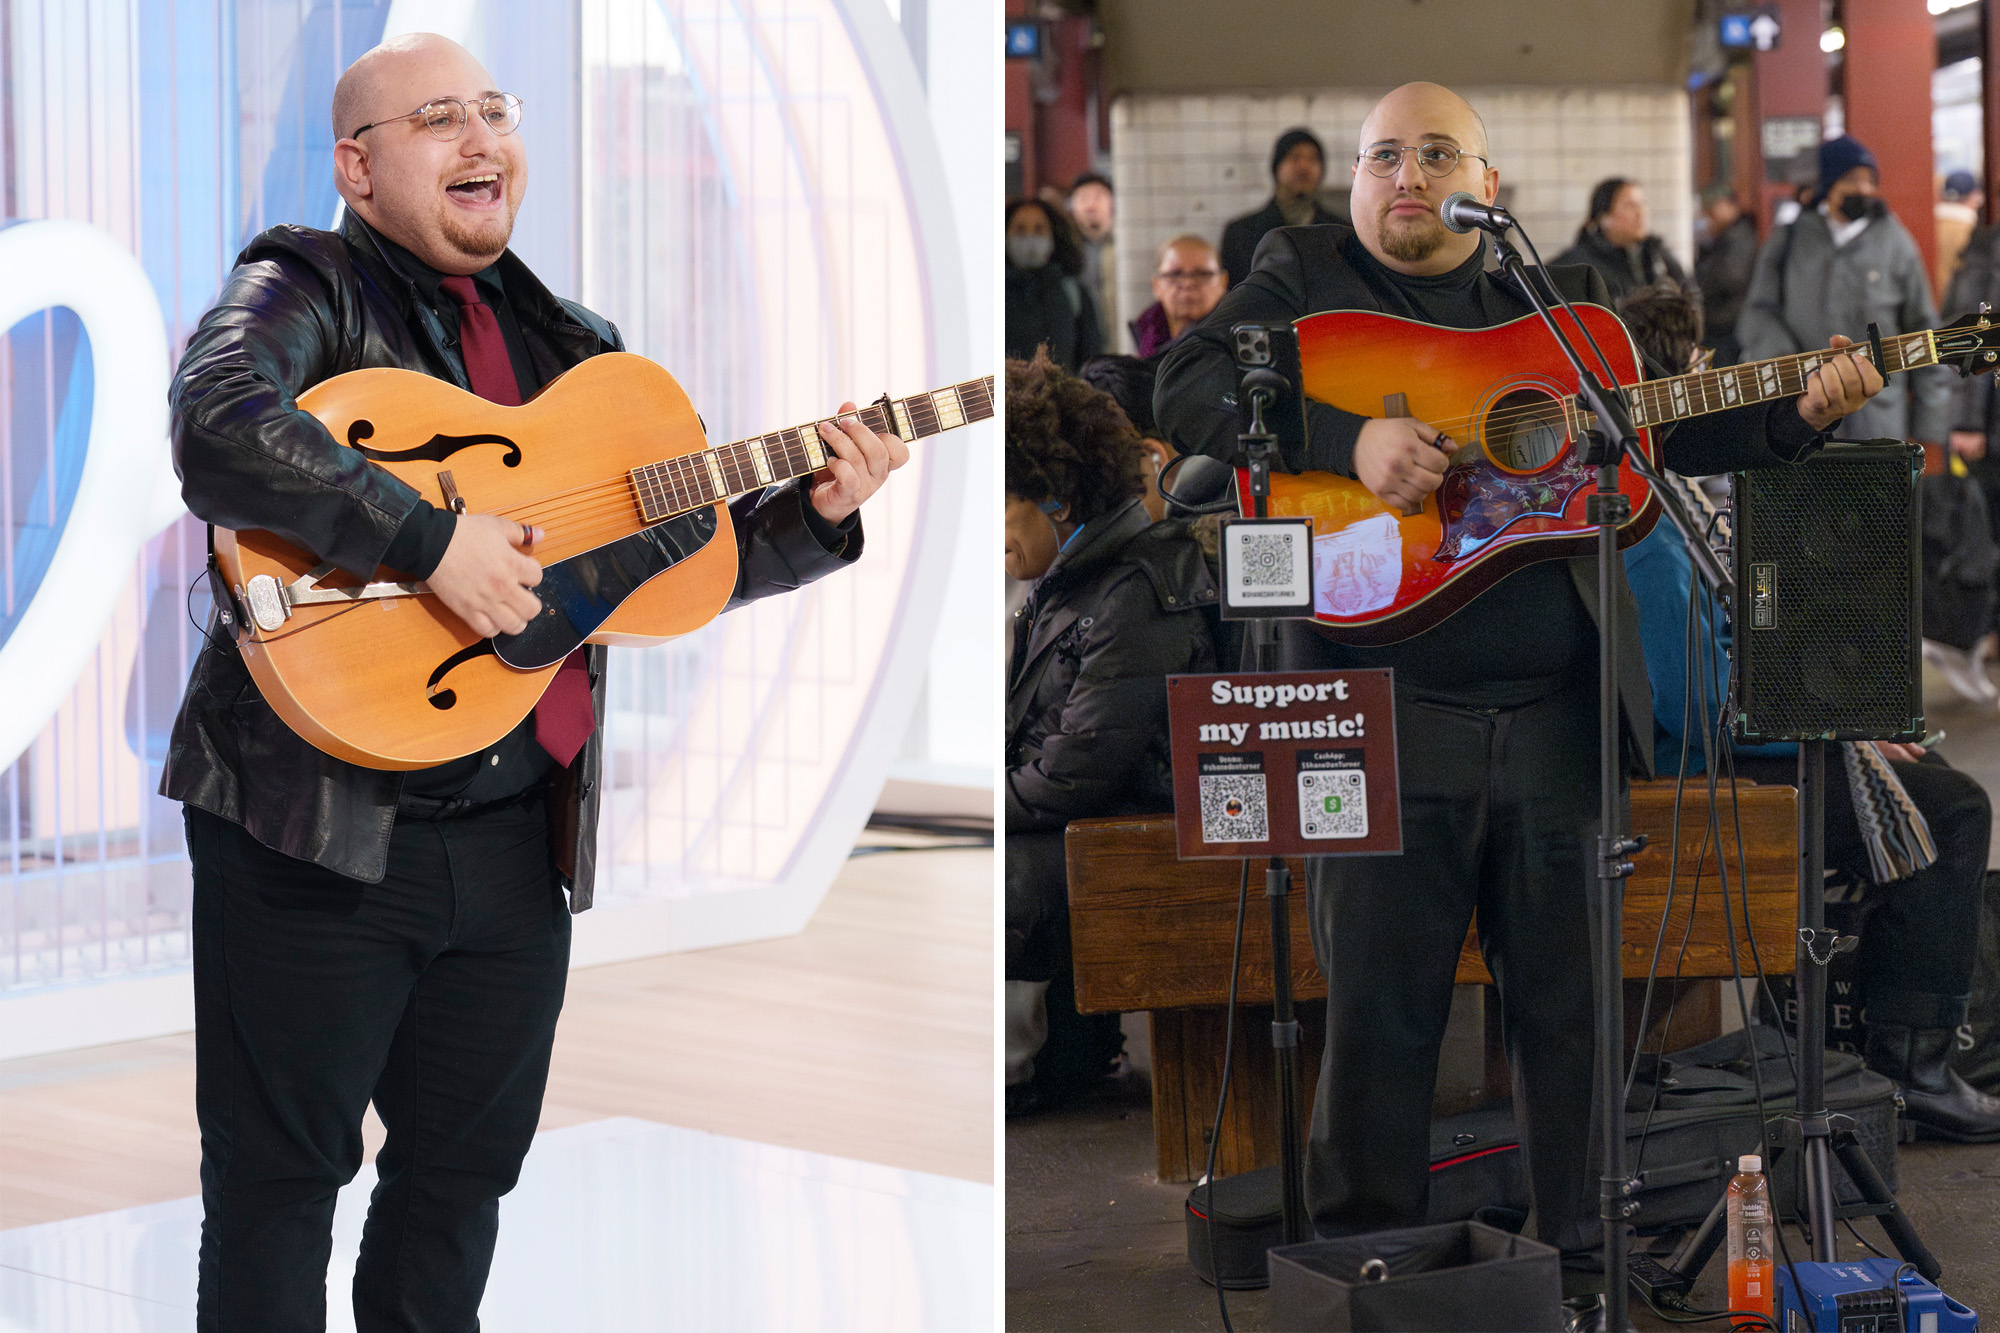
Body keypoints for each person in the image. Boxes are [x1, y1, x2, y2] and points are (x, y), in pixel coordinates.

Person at [163, 33, 906, 1331]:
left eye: (493, 113)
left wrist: (812, 518)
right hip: (310, 832)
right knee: (282, 1185)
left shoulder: (581, 347)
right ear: (358, 163)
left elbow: (647, 577)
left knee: (460, 1180)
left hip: (516, 840)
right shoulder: (306, 283)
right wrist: (426, 536)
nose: (479, 140)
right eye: (436, 118)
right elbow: (219, 421)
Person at [1155, 81, 1881, 1325]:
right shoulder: (1298, 274)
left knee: (1568, 1018)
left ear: (1485, 187)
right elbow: (1179, 392)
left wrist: (1792, 420)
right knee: (1380, 1021)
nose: (1403, 174)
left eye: (1435, 153)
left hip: (1554, 720)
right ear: (1353, 181)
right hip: (1382, 714)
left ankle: (1579, 1263)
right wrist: (1344, 442)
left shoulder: (1545, 315)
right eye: (1382, 154)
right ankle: (1369, 1270)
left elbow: (1652, 438)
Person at [1616, 282, 2000, 1142]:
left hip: (1723, 748)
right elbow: (1696, 704)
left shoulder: (1658, 497)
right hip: (1703, 773)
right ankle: (1917, 1069)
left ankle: (1862, 1049)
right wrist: (1835, 725)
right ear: (1679, 385)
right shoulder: (1651, 525)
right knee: (1956, 810)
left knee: (1925, 778)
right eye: (1700, 367)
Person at [1004, 351, 1217, 1117]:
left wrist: (993, 807)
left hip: (1133, 829)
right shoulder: (1076, 575)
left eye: (1006, 501)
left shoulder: (1134, 588)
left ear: (1058, 501)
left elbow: (1076, 771)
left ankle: (1015, 1067)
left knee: (996, 875)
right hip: (1093, 817)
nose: (993, 525)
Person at [1220, 127, 1339, 292]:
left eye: (1313, 159)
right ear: (1277, 167)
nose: (1304, 167)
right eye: (1294, 158)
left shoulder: (1340, 232)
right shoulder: (1240, 233)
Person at [1552, 177, 1690, 305]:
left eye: (1642, 203)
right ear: (1604, 217)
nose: (1641, 212)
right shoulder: (1578, 266)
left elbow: (1689, 294)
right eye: (1630, 205)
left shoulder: (1657, 255)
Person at [1007, 196, 1103, 372]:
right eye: (1020, 230)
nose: (1030, 237)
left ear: (1054, 237)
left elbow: (1091, 358)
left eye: (1039, 229)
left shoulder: (1073, 293)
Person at [1128, 234, 1228, 358]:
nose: (1188, 283)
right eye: (1175, 275)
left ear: (1223, 282)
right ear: (1156, 285)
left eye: (1202, 274)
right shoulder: (1146, 334)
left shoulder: (1238, 338)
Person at [1694, 184, 1758, 366]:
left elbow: (1731, 278)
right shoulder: (1722, 238)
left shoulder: (1738, 237)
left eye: (1710, 211)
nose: (1707, 217)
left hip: (1729, 327)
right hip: (1721, 326)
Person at [1068, 171, 1118, 346]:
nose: (1090, 204)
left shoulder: (1126, 247)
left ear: (1112, 202)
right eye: (1083, 198)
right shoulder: (1066, 252)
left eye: (1098, 197)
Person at [1937, 170, 1983, 300]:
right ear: (1974, 196)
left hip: (1929, 304)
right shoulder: (1973, 232)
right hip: (1957, 306)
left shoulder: (1929, 226)